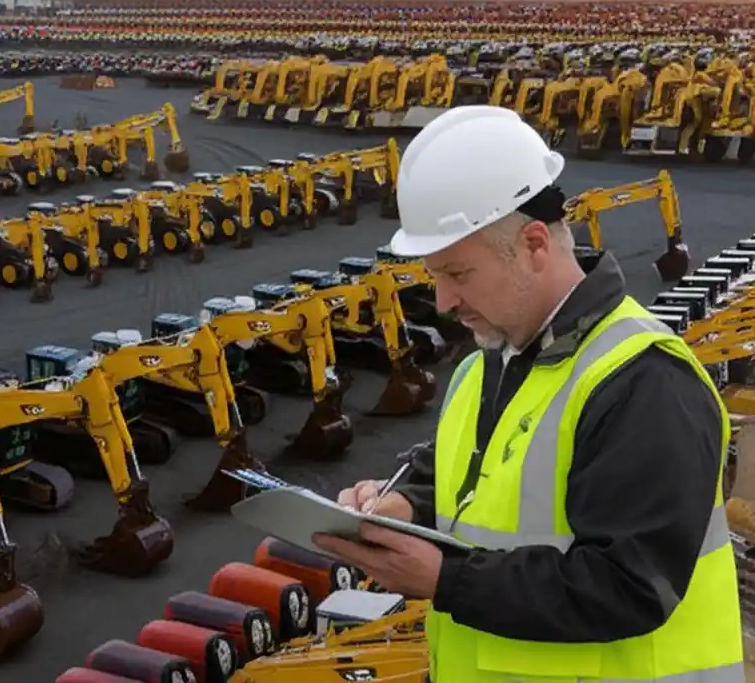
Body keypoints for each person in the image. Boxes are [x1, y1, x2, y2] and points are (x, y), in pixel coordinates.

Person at [313, 105, 743, 682]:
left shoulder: (645, 380)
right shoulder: (486, 365)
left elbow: (629, 585)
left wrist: (443, 579)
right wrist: (404, 503)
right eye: (435, 276)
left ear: (536, 243)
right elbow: (472, 483)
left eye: (458, 274)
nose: (442, 302)